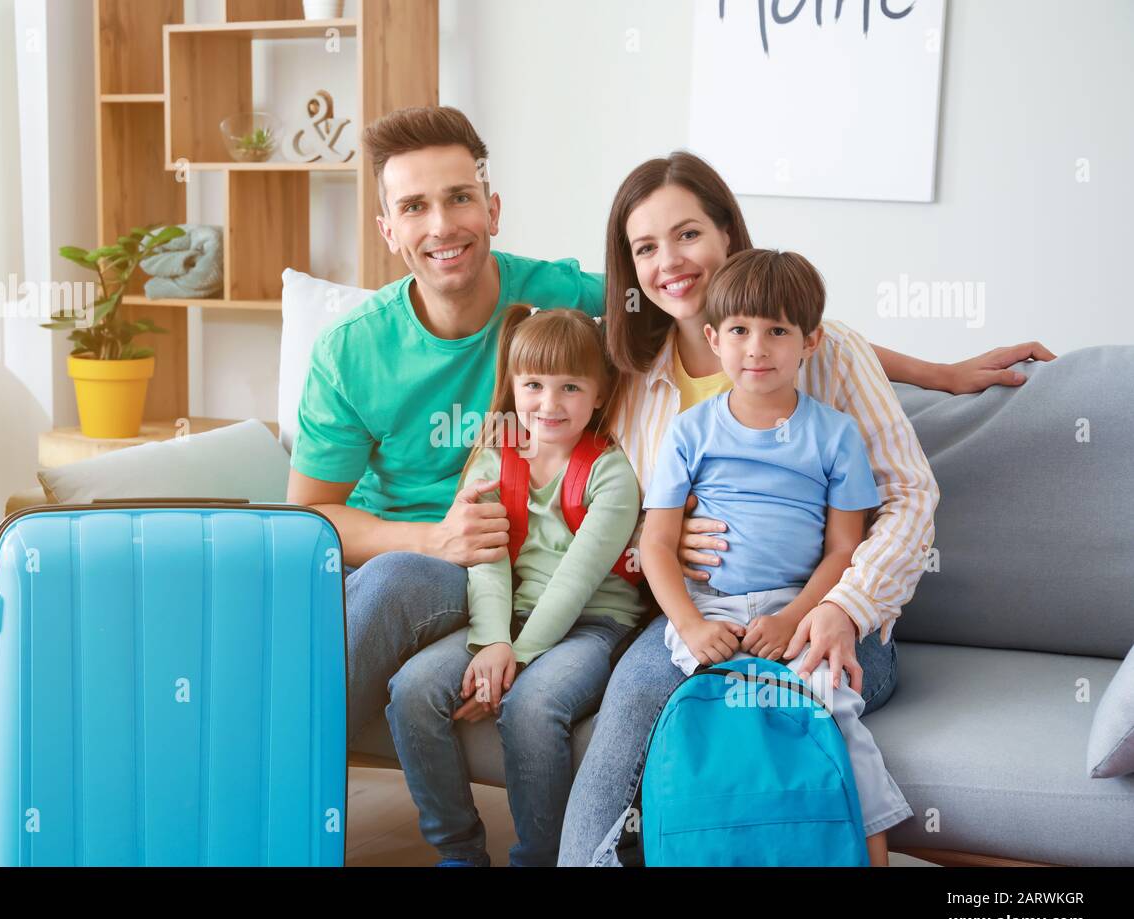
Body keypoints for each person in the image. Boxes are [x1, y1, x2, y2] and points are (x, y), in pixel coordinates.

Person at [285, 105, 1052, 760]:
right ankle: (275, 777)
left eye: (458, 198)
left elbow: (765, 331)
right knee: (386, 591)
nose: (443, 224)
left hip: (575, 571)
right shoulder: (356, 350)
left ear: (493, 206)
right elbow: (309, 515)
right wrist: (434, 541)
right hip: (439, 557)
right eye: (415, 207)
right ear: (388, 229)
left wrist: (939, 374)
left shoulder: (562, 295)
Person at [557, 150, 1055, 866]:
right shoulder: (637, 377)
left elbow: (910, 496)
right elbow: (627, 508)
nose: (670, 261)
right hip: (705, 610)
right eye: (645, 247)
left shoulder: (823, 354)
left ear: (729, 234)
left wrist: (842, 608)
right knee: (638, 706)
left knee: (772, 707)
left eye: (689, 233)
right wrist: (659, 539)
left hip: (828, 606)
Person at [639, 248, 913, 866]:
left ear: (809, 342)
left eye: (776, 331)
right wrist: (690, 624)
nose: (756, 347)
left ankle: (867, 855)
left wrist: (794, 620)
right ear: (713, 338)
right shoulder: (689, 431)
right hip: (710, 608)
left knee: (832, 710)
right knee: (717, 716)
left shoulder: (835, 433)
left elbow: (846, 547)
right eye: (739, 330)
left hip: (802, 609)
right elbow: (655, 543)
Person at [386, 305, 643, 867]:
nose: (549, 404)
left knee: (531, 706)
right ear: (513, 386)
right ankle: (458, 852)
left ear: (599, 394)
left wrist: (516, 658)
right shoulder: (493, 458)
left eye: (570, 387)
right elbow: (488, 560)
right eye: (533, 385)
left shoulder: (612, 473)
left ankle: (540, 858)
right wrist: (491, 642)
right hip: (507, 619)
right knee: (412, 689)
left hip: (594, 624)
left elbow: (577, 579)